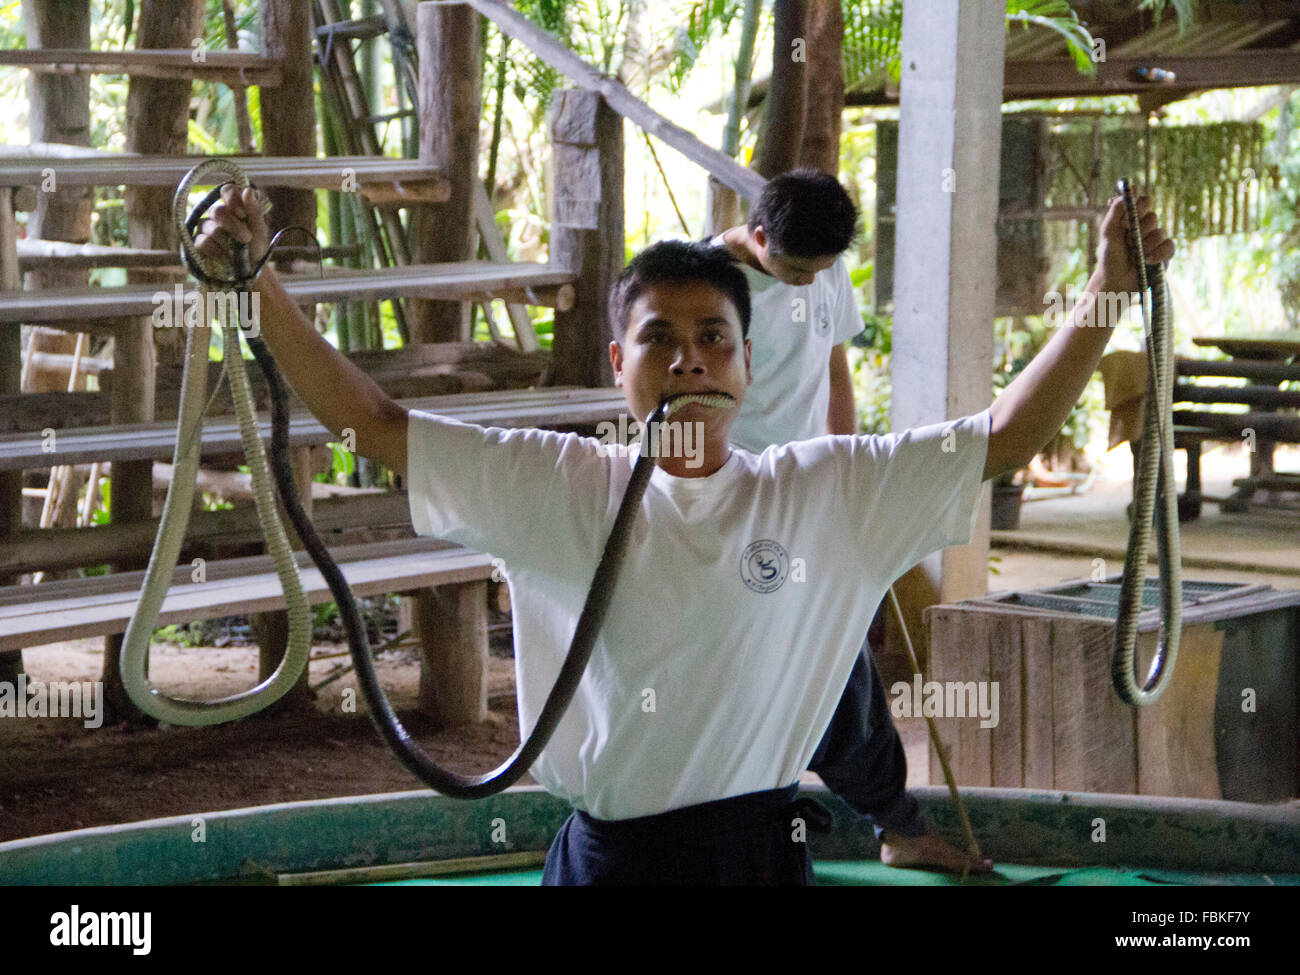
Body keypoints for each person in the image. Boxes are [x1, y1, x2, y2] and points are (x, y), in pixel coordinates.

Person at [195, 186, 1171, 885]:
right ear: (620, 363)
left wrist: (1106, 292)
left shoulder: (826, 490)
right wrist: (257, 284)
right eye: (661, 337)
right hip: (604, 858)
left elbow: (1004, 437)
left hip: (754, 855)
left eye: (714, 338)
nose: (690, 359)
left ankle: (899, 824)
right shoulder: (555, 482)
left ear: (747, 366)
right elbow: (375, 423)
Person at [714, 168, 986, 872]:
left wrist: (849, 472)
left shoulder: (822, 271)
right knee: (761, 672)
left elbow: (835, 368)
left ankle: (896, 824)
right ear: (759, 235)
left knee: (838, 660)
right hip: (730, 506)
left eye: (823, 271)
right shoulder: (704, 285)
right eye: (797, 270)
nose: (809, 284)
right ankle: (865, 824)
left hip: (811, 493)